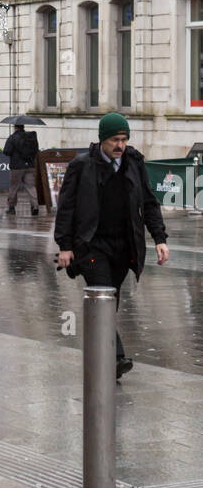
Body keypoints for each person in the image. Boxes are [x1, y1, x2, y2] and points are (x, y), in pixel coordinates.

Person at [55, 113, 169, 381]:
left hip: (124, 246)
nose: (120, 146)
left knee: (110, 302)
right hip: (92, 245)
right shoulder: (82, 166)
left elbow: (150, 203)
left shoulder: (134, 163)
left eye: (124, 140)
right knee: (103, 298)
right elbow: (67, 207)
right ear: (102, 140)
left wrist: (160, 238)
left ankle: (102, 355)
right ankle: (115, 359)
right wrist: (65, 246)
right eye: (115, 140)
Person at [4, 122, 40, 216]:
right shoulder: (31, 137)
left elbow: (6, 151)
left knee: (14, 187)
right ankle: (35, 206)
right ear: (23, 127)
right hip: (30, 165)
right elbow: (36, 150)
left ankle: (11, 207)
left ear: (15, 127)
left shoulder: (12, 137)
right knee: (31, 187)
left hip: (17, 166)